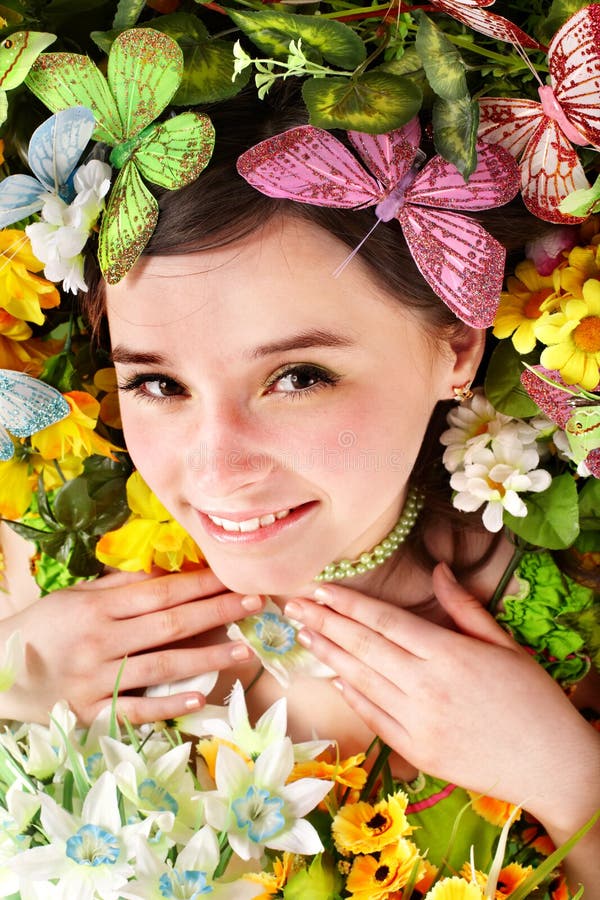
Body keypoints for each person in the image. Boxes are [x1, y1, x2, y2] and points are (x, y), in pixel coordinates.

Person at [1, 82, 598, 893]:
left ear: (455, 346)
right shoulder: (37, 580)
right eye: (156, 384)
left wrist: (571, 780)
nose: (214, 469)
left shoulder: (579, 620)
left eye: (299, 376)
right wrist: (11, 690)